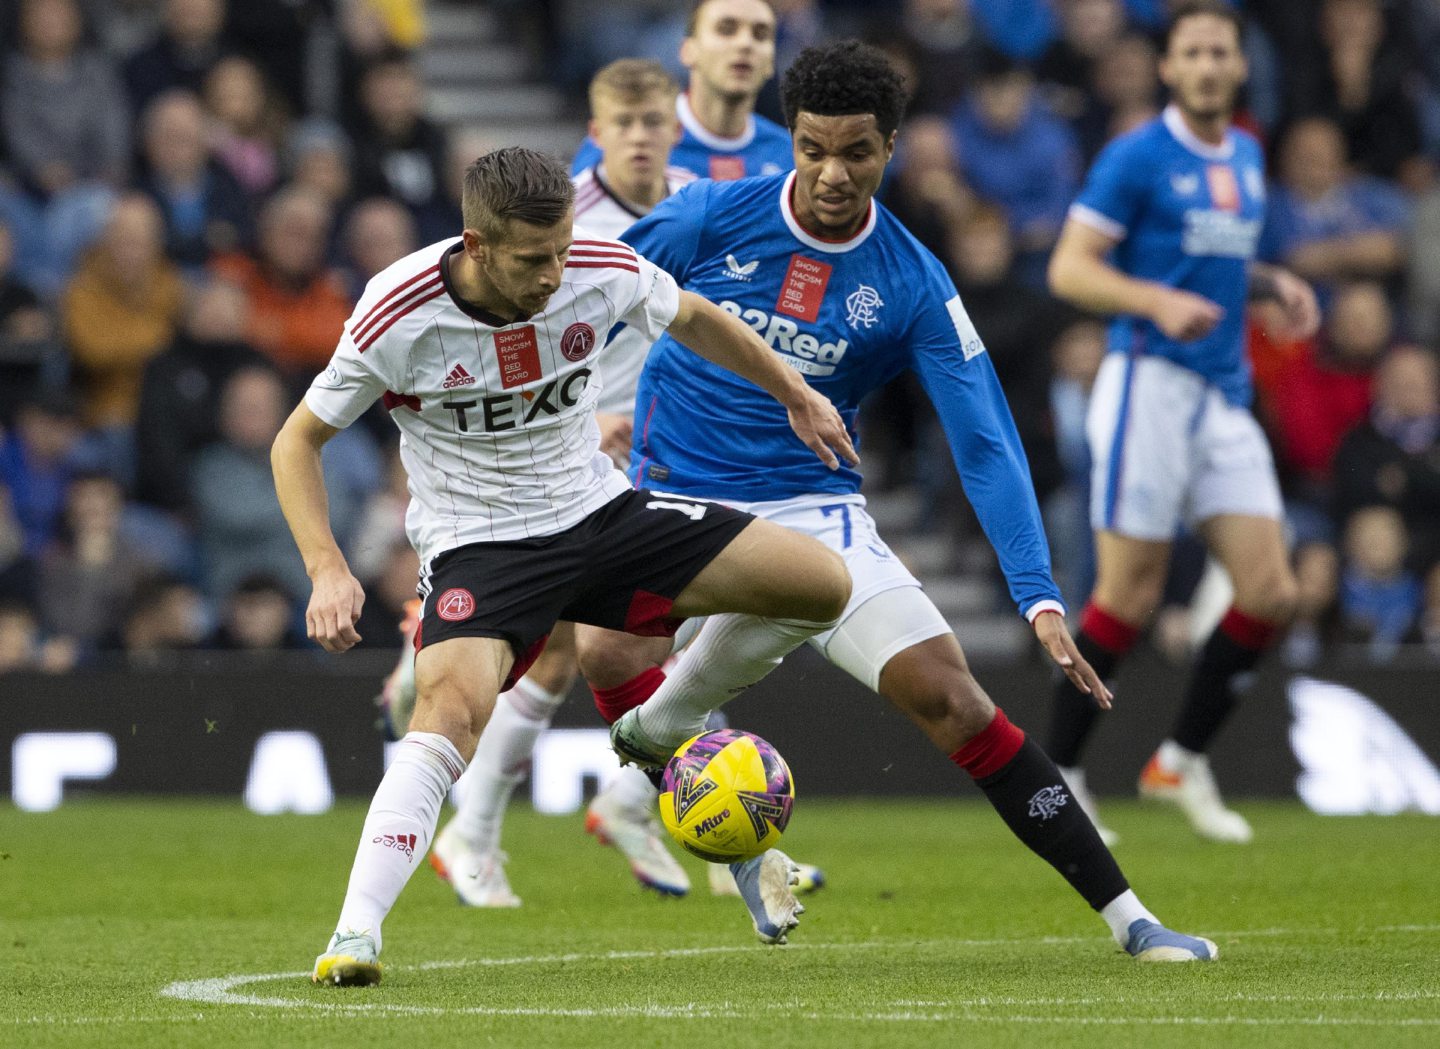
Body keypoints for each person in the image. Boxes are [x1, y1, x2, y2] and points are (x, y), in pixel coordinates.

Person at [577, 40, 1215, 966]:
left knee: (953, 701)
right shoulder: (710, 214)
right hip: (677, 497)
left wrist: (1037, 593)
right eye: (812, 149)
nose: (832, 174)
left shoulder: (912, 280)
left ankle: (1132, 921)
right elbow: (585, 297)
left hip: (814, 511)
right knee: (602, 645)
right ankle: (728, 829)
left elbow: (985, 437)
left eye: (857, 153)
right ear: (790, 140)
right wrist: (577, 418)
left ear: (893, 150)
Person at [276, 146, 860, 986]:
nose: (554, 274)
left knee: (821, 584)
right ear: (476, 244)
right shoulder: (395, 311)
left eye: (560, 251)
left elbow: (692, 315)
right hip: (483, 542)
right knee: (447, 712)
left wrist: (795, 393)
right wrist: (327, 567)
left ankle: (660, 733)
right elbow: (296, 439)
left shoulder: (596, 264)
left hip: (602, 514)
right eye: (530, 259)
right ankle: (354, 936)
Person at [1044, 1, 1320, 845]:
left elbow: (1214, 256)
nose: (1206, 65)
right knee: (1127, 591)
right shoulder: (1136, 156)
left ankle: (1178, 760)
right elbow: (1070, 269)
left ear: (1239, 66)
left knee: (1272, 589)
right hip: (1147, 385)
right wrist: (1152, 300)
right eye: (1191, 52)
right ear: (1168, 68)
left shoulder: (1244, 150)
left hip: (1221, 395)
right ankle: (1062, 771)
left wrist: (1267, 283)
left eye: (1219, 52)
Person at [570, 0, 792, 182]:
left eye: (760, 34)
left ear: (771, 61)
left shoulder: (789, 156)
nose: (745, 43)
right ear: (687, 50)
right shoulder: (621, 141)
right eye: (726, 29)